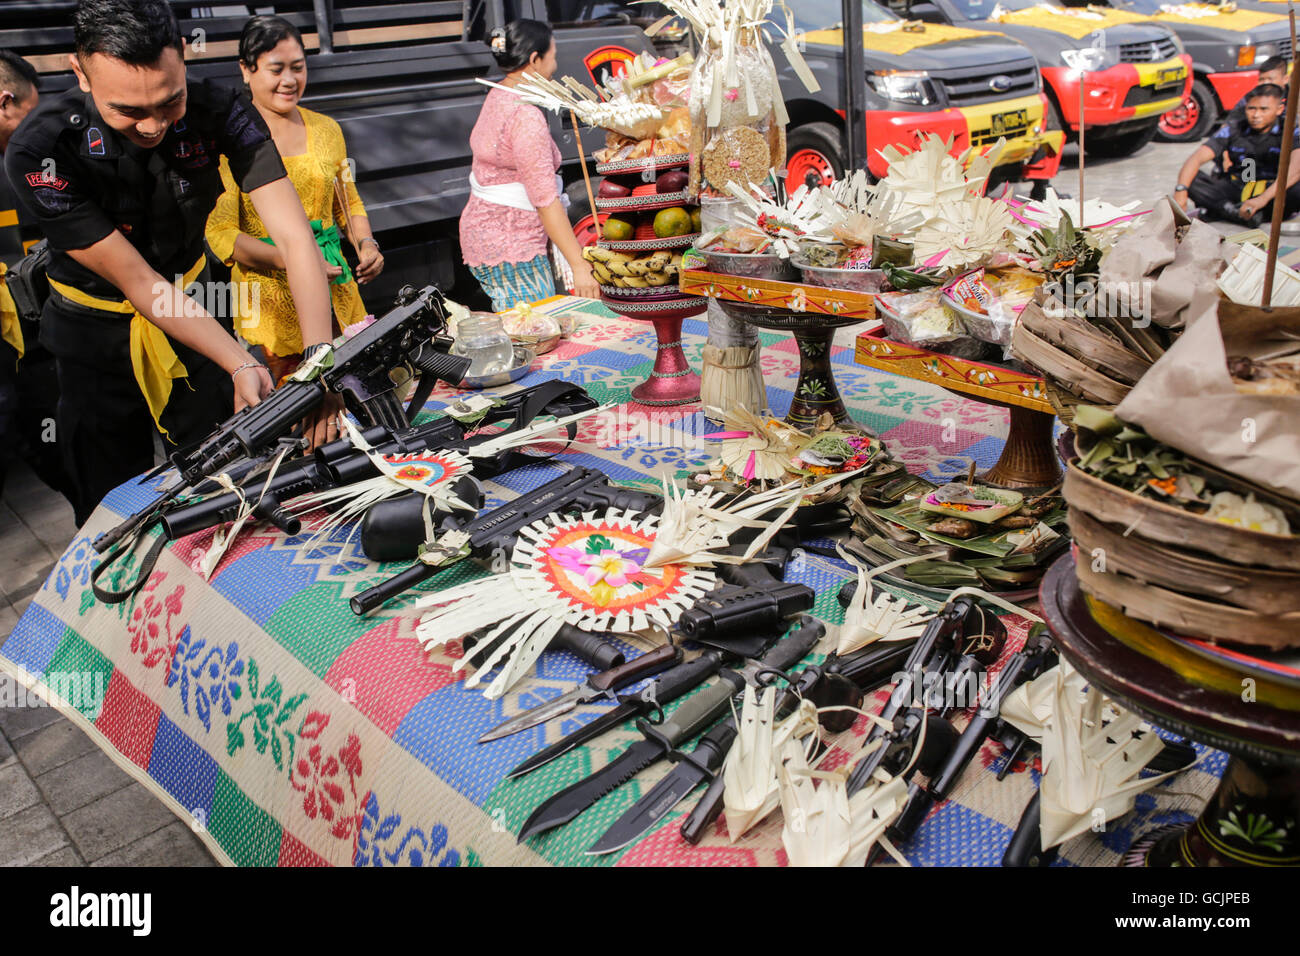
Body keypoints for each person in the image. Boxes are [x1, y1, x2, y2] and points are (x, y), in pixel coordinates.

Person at [4, 0, 337, 526]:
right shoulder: (42, 148)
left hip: (200, 315)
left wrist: (321, 368)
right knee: (112, 512)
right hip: (96, 337)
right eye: (129, 112)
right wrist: (242, 361)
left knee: (231, 488)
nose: (154, 125)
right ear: (80, 73)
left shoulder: (221, 107)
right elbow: (139, 282)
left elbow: (296, 239)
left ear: (183, 56)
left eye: (169, 100)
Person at [207, 15, 382, 382]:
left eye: (298, 68)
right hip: (270, 310)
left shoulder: (326, 129)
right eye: (276, 69)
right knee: (295, 419)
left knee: (354, 400)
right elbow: (220, 233)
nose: (290, 80)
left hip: (339, 294)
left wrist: (365, 243)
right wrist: (295, 260)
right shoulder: (229, 142)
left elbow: (347, 203)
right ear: (246, 70)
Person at [459, 19, 599, 312]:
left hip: (487, 235)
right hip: (511, 244)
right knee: (535, 330)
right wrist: (579, 265)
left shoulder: (499, 94)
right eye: (553, 56)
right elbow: (545, 199)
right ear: (535, 59)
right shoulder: (525, 116)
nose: (555, 65)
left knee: (525, 327)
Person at [1173, 84, 1300, 227]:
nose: (1256, 115)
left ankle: (1233, 211)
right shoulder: (1234, 127)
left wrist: (1262, 199)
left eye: (1264, 109)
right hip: (1240, 185)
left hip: (1272, 191)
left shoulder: (1290, 131)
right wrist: (1181, 190)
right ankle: (1236, 213)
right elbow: (1196, 159)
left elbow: (1294, 171)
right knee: (1193, 179)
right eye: (1251, 108)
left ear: (1279, 110)